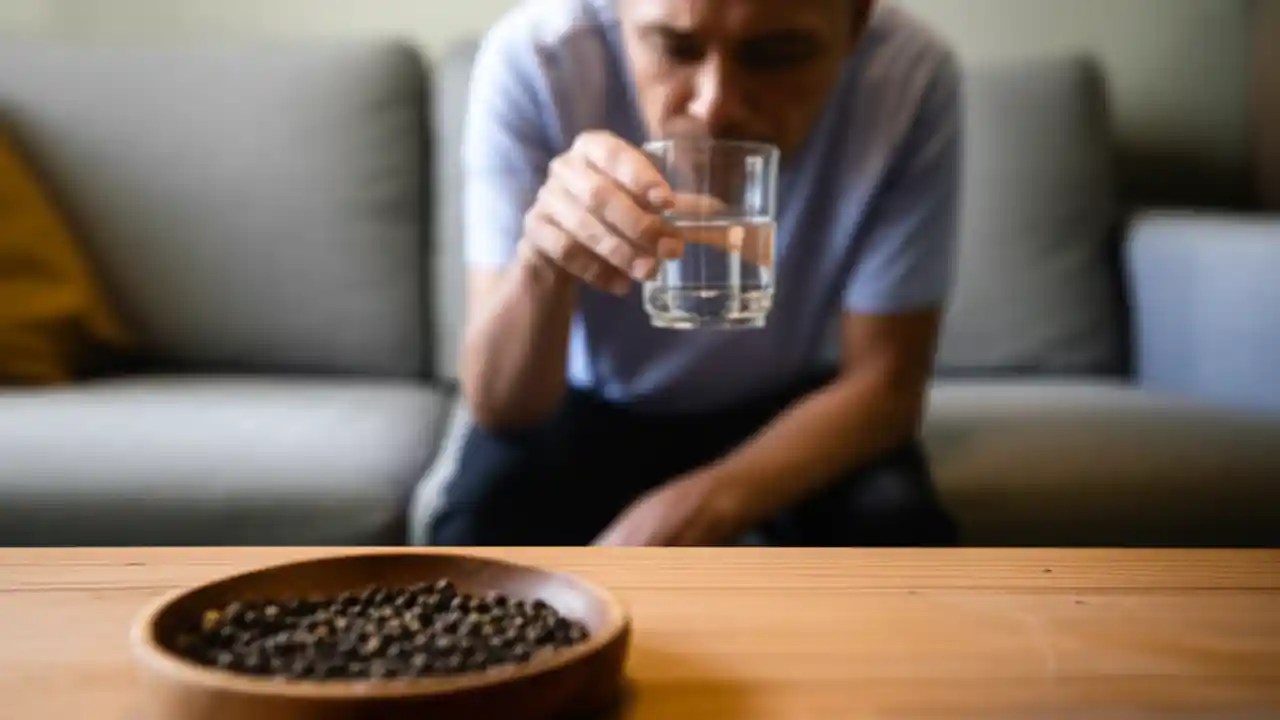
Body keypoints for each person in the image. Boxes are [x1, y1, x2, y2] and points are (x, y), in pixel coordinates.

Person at [430, 0, 961, 547]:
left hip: (797, 405)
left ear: (856, 22)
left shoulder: (908, 75)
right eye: (675, 48)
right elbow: (501, 406)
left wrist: (704, 504)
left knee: (900, 541)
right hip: (587, 404)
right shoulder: (537, 57)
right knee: (469, 549)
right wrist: (542, 265)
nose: (715, 107)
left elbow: (886, 386)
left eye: (777, 54)